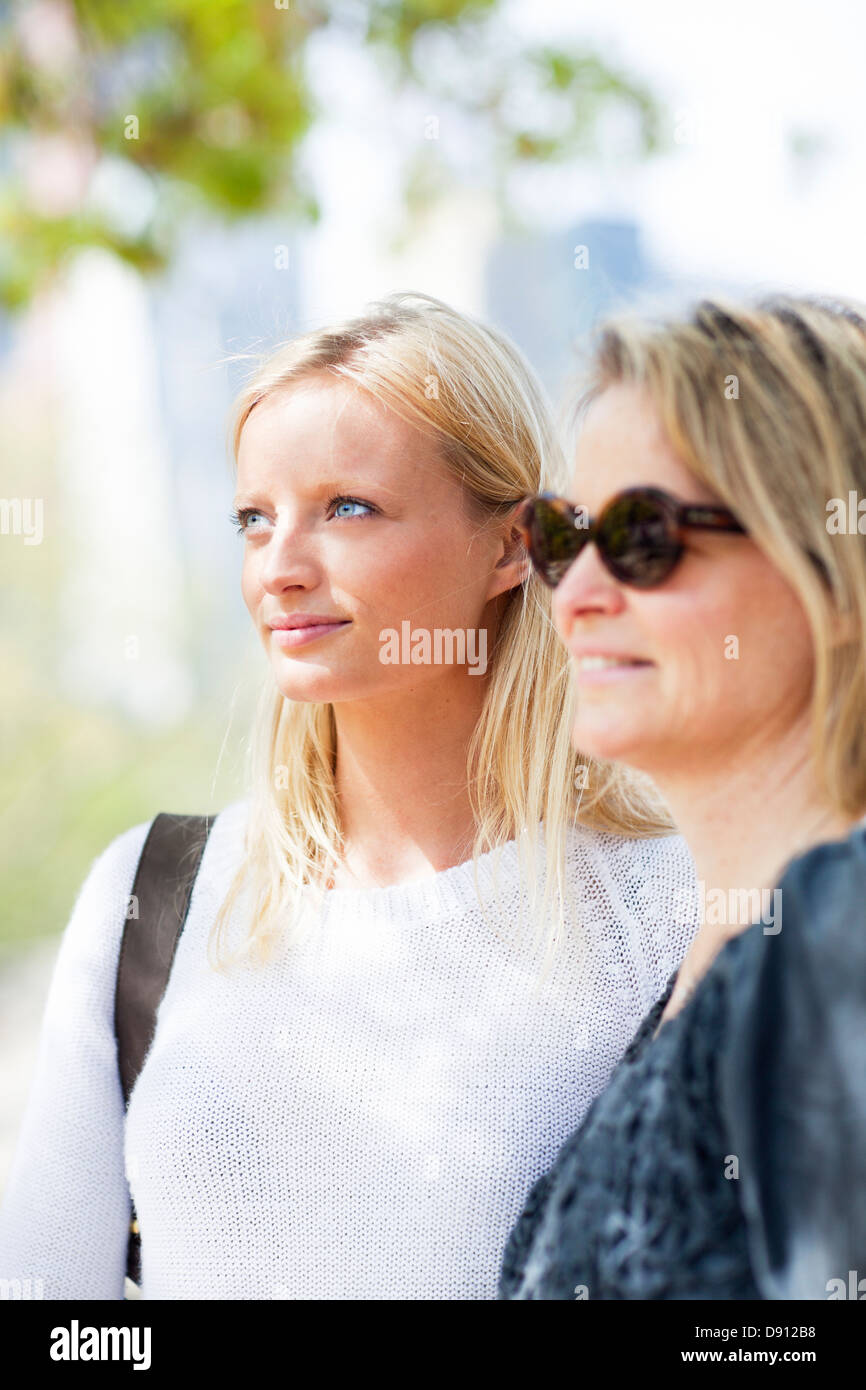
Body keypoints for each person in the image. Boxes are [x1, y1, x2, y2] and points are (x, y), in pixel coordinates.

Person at [0, 291, 698, 1300]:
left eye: (346, 508)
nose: (278, 567)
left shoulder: (666, 907)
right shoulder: (151, 894)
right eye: (254, 518)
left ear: (510, 548)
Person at [500, 292, 866, 1300]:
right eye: (561, 536)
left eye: (641, 534)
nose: (573, 595)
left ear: (835, 573)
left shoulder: (838, 935)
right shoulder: (699, 968)